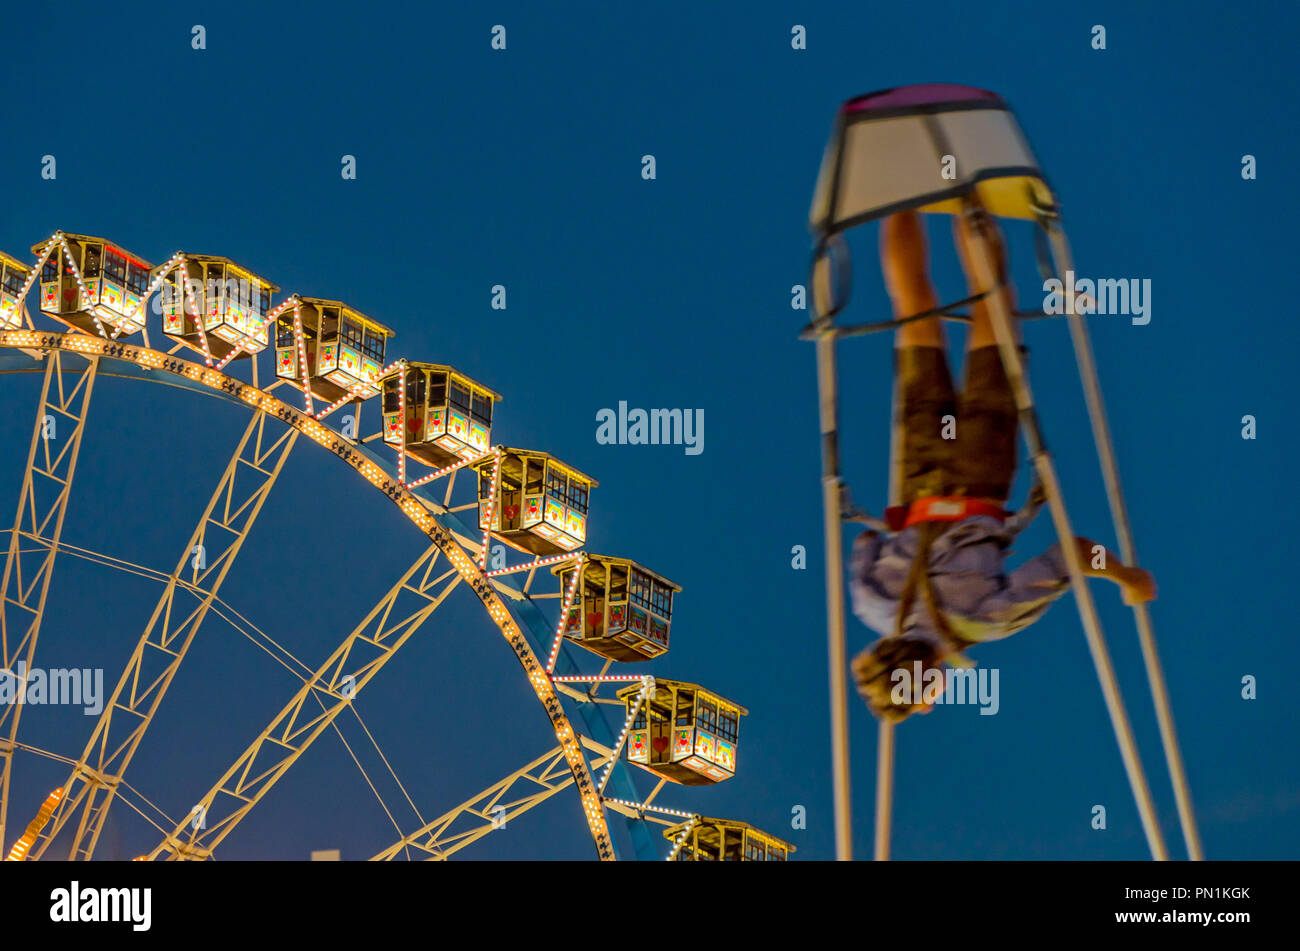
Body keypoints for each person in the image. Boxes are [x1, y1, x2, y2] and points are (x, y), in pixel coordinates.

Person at [849, 209, 1156, 723]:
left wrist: (1127, 577)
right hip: (920, 472)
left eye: (925, 698)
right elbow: (865, 544)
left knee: (994, 311)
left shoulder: (986, 621)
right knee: (915, 310)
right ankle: (900, 198)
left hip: (981, 471)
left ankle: (969, 204)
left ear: (925, 681)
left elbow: (1076, 554)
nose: (933, 699)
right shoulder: (869, 603)